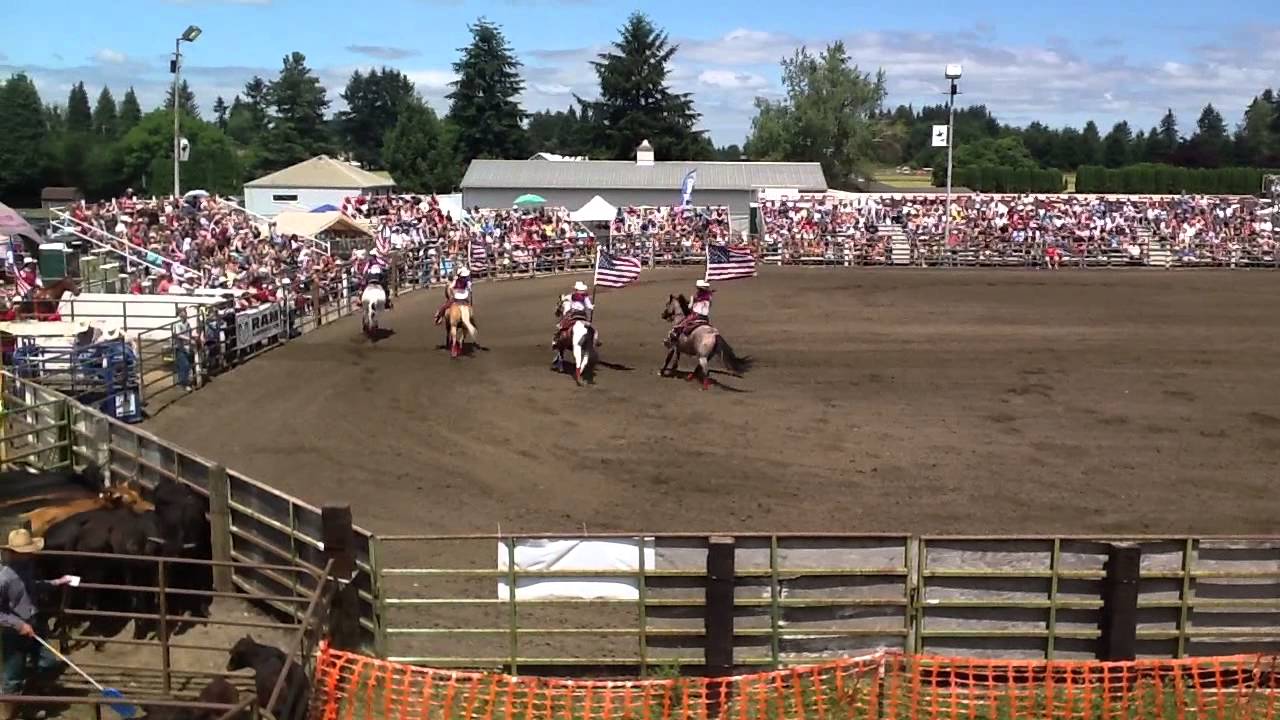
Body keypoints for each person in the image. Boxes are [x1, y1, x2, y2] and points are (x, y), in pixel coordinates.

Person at [0, 528, 75, 719]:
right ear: (15, 553)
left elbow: (34, 586)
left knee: (48, 662)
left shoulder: (28, 568)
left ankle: (34, 699)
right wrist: (19, 625)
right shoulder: (4, 578)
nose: (31, 554)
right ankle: (7, 712)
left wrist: (57, 582)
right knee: (13, 675)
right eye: (27, 551)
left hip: (34, 623)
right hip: (14, 631)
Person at [668, 279, 714, 345]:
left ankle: (675, 337)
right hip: (705, 318)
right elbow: (710, 305)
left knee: (681, 324)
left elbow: (689, 307)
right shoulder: (709, 297)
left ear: (698, 288)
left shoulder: (695, 297)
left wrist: (692, 301)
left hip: (696, 316)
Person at [553, 280, 593, 347]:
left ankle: (556, 340)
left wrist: (562, 298)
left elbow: (563, 300)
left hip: (573, 313)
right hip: (582, 314)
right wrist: (592, 306)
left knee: (561, 324)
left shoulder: (571, 296)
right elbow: (589, 306)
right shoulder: (586, 297)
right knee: (588, 325)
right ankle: (594, 339)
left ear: (575, 289)